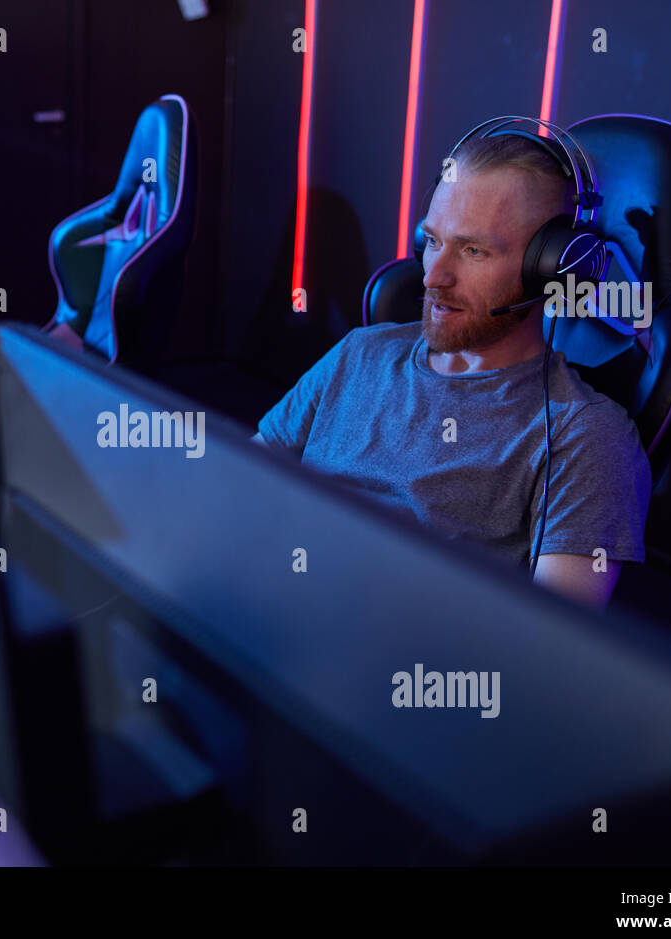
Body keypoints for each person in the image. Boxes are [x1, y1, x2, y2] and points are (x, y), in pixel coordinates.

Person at [254, 133, 650, 609]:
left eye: (473, 251)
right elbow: (241, 485)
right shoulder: (359, 353)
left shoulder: (583, 436)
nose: (432, 276)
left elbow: (552, 655)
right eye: (434, 240)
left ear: (549, 270)